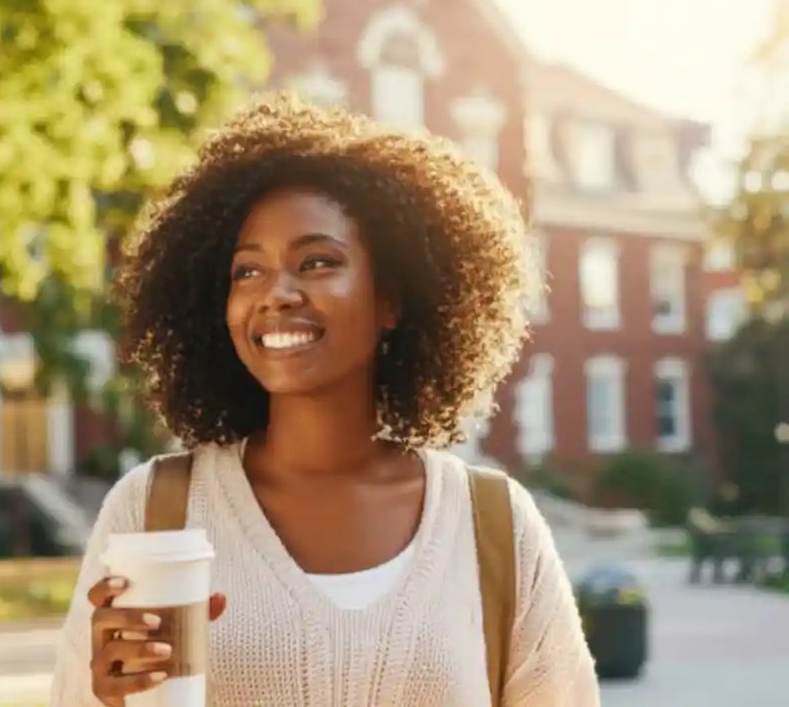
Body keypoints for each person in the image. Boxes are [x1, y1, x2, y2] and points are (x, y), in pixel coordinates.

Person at [49, 93, 598, 706]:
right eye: (247, 272)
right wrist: (108, 698)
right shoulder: (154, 510)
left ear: (391, 299)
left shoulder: (493, 526)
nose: (276, 294)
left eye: (316, 262)